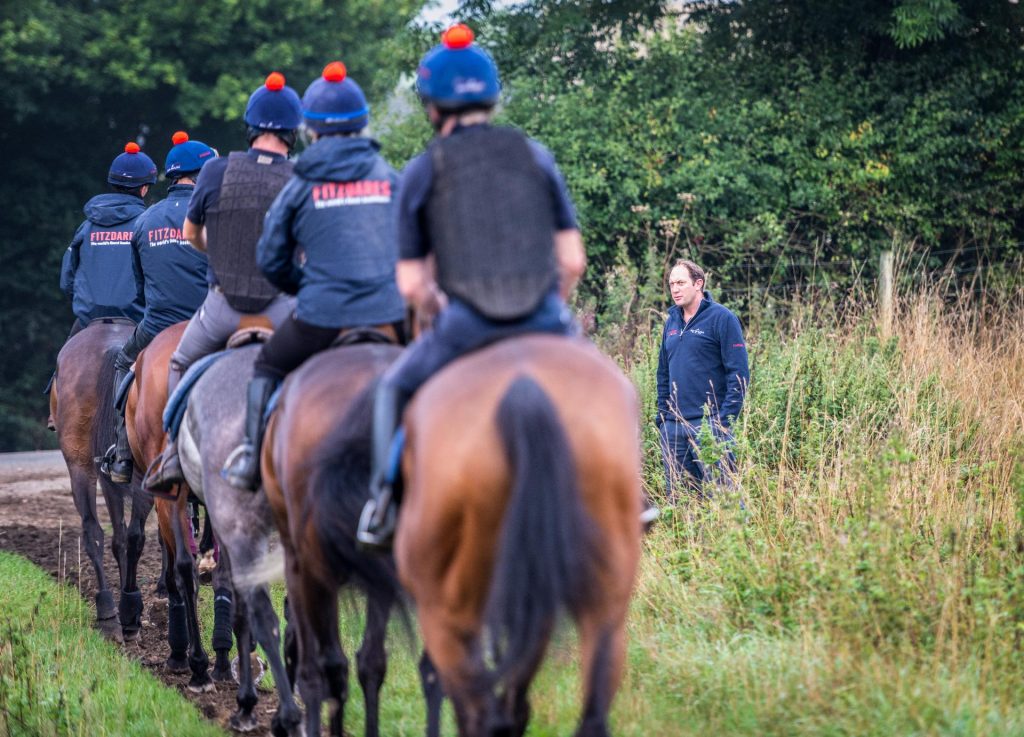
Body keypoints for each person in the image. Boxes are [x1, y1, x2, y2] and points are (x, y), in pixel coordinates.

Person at [356, 24, 587, 549]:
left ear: (432, 107)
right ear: (492, 96)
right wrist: (549, 309)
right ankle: (631, 495)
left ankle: (381, 503)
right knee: (602, 385)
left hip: (465, 324)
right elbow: (572, 260)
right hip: (543, 317)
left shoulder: (422, 170)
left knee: (393, 388)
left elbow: (412, 284)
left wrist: (438, 308)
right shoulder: (536, 156)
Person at [222, 61, 406, 491]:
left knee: (268, 364)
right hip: (389, 312)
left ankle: (251, 458)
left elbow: (270, 258)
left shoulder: (301, 183)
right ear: (361, 125)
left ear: (311, 131)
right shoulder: (389, 177)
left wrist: (304, 287)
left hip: (324, 316)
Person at [143, 72, 302, 496]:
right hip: (283, 310)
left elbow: (192, 235)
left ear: (250, 127)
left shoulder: (215, 171)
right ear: (293, 131)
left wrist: (224, 250)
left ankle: (175, 451)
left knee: (177, 363)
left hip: (223, 309)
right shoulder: (302, 176)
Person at [100, 131, 218, 483]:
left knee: (124, 360)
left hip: (156, 326)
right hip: (206, 323)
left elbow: (139, 285)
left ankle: (122, 455)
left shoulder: (145, 220)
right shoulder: (210, 213)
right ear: (200, 176)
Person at [655, 259, 749, 498]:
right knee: (681, 503)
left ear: (698, 283)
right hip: (674, 428)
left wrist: (723, 422)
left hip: (708, 426)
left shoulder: (722, 318)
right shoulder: (672, 322)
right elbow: (663, 372)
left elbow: (738, 373)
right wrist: (664, 419)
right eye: (671, 284)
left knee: (723, 498)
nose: (675, 289)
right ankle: (689, 538)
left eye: (681, 283)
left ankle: (734, 536)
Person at [59, 142, 156, 337]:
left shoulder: (86, 227)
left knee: (62, 363)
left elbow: (66, 281)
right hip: (138, 319)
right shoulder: (149, 226)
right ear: (144, 188)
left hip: (89, 319)